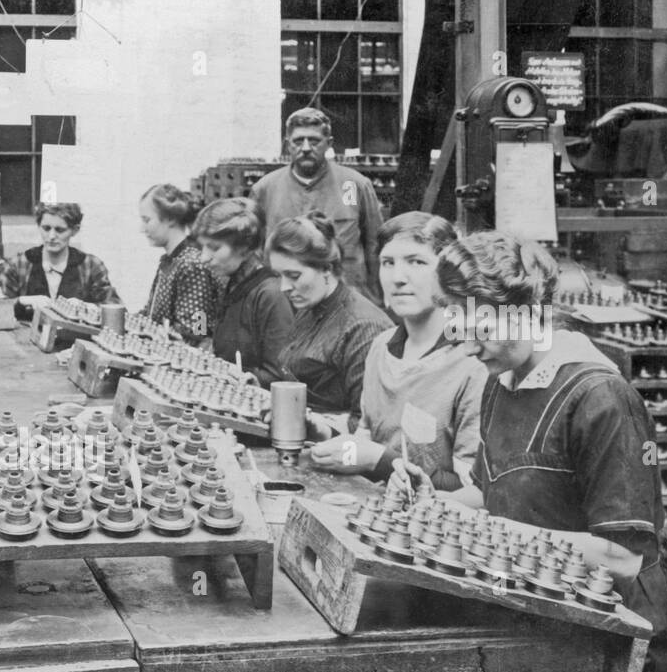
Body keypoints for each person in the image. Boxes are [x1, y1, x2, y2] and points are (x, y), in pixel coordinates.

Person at [431, 231, 667, 672]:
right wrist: (433, 504)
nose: (467, 345)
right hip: (538, 612)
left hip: (610, 649)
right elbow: (491, 493)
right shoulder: (503, 382)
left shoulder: (601, 397)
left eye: (480, 327)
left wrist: (501, 535)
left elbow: (623, 557)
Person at [311, 211, 486, 488]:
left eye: (416, 262)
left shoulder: (473, 360)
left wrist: (379, 461)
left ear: (449, 272)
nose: (398, 278)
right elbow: (366, 442)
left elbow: (474, 489)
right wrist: (323, 433)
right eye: (387, 263)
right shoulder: (381, 346)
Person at [268, 212, 388, 434]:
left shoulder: (362, 327)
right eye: (279, 275)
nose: (284, 287)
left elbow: (368, 425)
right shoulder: (310, 308)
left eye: (293, 276)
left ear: (327, 269)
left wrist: (317, 426)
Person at [250, 107, 384, 298]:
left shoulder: (355, 185)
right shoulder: (264, 190)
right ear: (288, 144)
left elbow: (375, 246)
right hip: (286, 301)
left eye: (314, 141)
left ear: (329, 143)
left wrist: (377, 298)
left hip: (346, 298)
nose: (305, 148)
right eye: (298, 141)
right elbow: (254, 254)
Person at [192, 197, 293, 385]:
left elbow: (282, 375)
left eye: (214, 248)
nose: (204, 257)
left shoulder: (271, 295)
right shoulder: (231, 284)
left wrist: (252, 378)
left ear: (245, 250)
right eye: (202, 247)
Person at [0, 201, 122, 321]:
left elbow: (116, 310)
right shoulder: (18, 264)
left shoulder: (91, 266)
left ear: (75, 230)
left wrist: (86, 307)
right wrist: (22, 301)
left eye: (60, 230)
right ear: (38, 226)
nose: (51, 236)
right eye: (46, 228)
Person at [138, 183, 219, 345]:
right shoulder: (169, 261)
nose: (142, 228)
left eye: (147, 220)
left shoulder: (192, 263)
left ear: (169, 219)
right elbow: (150, 314)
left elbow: (199, 329)